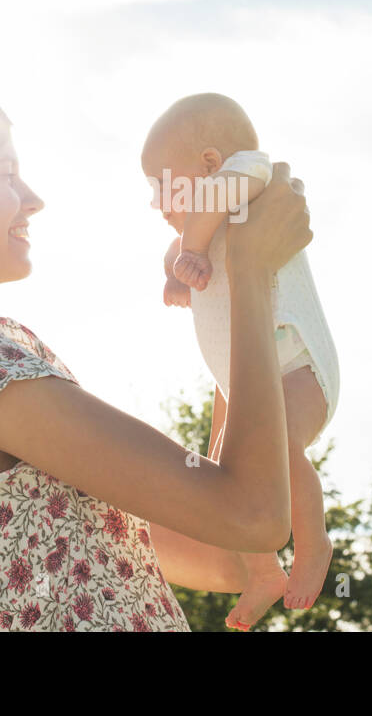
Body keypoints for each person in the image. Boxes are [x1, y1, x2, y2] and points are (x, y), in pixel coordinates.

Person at [0, 90, 313, 631]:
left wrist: (229, 304)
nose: (33, 198)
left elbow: (227, 551)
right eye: (6, 175)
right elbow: (253, 515)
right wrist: (250, 272)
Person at [142, 92, 339, 629]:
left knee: (276, 451)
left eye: (163, 187)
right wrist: (174, 267)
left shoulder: (247, 176)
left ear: (210, 163)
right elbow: (183, 240)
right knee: (236, 469)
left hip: (297, 366)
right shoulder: (195, 230)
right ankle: (261, 571)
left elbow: (216, 203)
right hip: (247, 379)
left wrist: (191, 250)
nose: (158, 203)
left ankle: (314, 541)